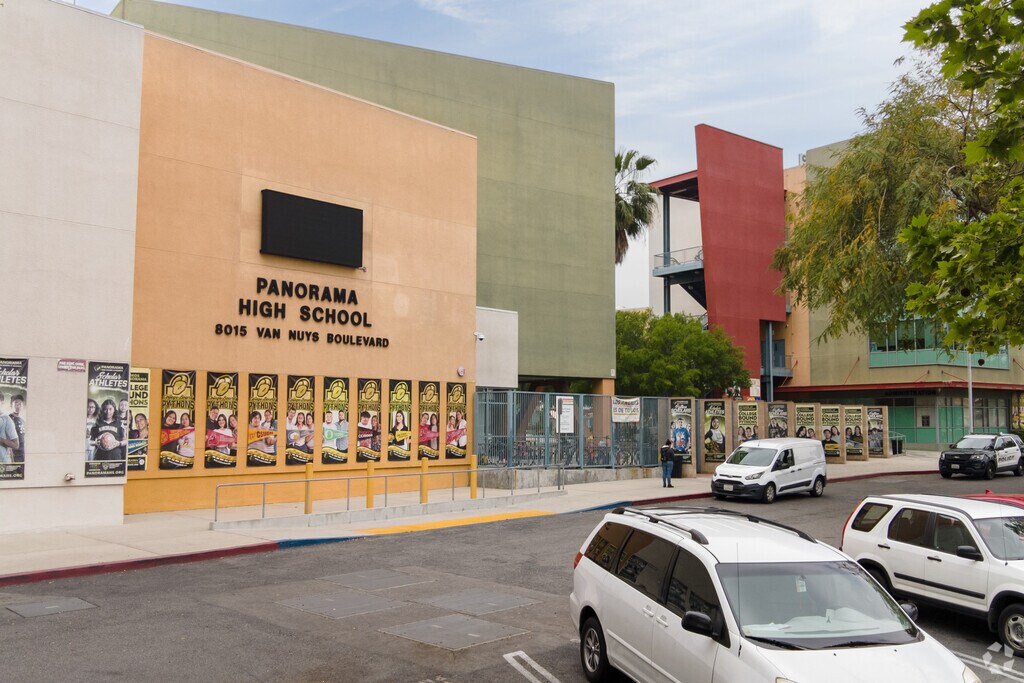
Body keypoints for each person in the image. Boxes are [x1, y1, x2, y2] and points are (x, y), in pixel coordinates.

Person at [0, 393, 19, 465]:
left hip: (2, 464)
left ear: (2, 402)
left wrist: (2, 440)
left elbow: (16, 445)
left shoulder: (6, 420)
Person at [9, 394, 25, 462]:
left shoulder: (22, 420)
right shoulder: (8, 419)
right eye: (16, 403)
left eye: (20, 404)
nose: (18, 406)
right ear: (11, 405)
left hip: (22, 454)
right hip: (14, 455)